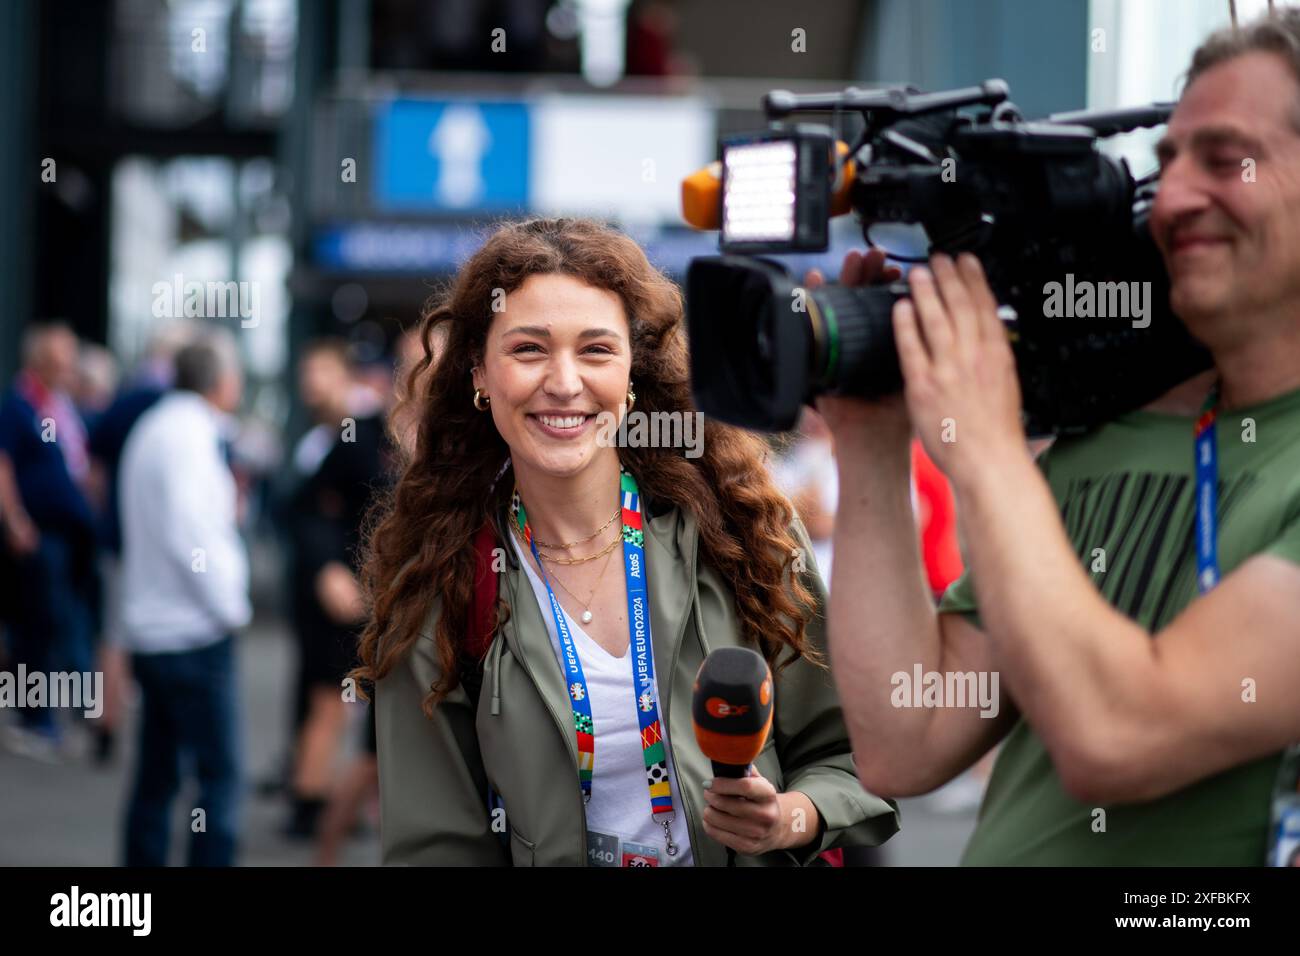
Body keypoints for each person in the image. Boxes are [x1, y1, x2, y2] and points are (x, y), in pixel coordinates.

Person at [820, 10, 1300, 865]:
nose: (1175, 197)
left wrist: (989, 446)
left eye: (1225, 160)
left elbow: (1118, 733)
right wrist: (871, 446)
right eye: (1168, 160)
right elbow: (909, 733)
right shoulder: (1111, 439)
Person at [356, 217, 898, 866]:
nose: (563, 381)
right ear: (479, 372)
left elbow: (854, 757)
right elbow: (435, 849)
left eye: (596, 350)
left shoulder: (744, 535)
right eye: (528, 349)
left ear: (632, 375)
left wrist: (791, 816)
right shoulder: (441, 587)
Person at [119, 332, 250, 867]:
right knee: (219, 778)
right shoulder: (190, 436)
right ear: (219, 382)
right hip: (192, 634)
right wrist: (232, 607)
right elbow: (193, 534)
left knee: (157, 777)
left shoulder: (153, 427)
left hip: (152, 629)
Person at [281, 338, 388, 838]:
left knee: (341, 701)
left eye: (320, 372)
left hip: (361, 590)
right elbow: (304, 508)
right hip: (340, 594)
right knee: (331, 698)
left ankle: (323, 804)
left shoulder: (359, 432)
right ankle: (313, 803)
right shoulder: (350, 436)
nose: (310, 383)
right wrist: (328, 567)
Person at [0, 323, 98, 758]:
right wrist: (15, 520)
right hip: (36, 536)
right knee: (33, 626)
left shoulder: (56, 407)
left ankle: (50, 712)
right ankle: (32, 717)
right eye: (60, 360)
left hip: (64, 534)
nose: (68, 369)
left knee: (55, 622)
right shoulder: (19, 406)